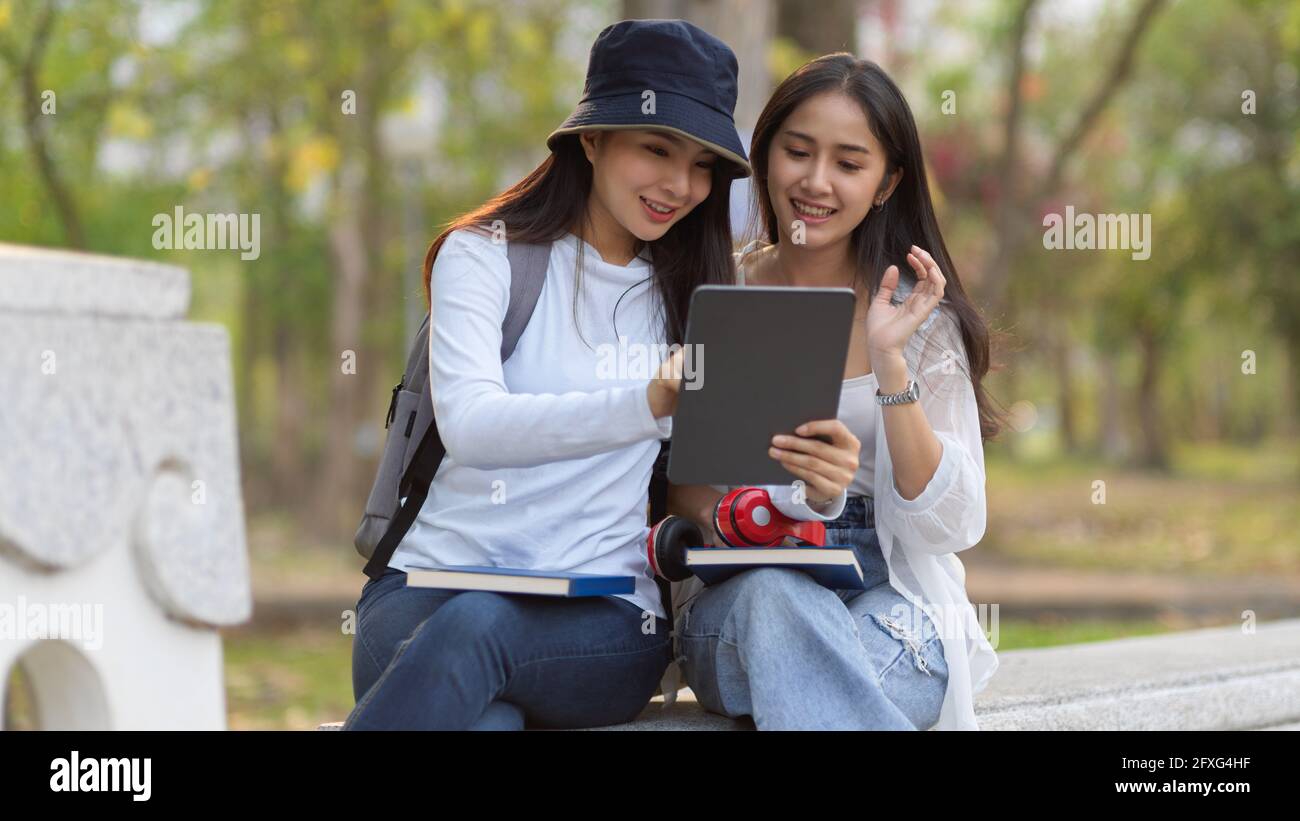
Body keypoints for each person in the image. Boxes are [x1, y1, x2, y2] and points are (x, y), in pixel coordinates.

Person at [344, 19, 752, 730]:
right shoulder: (481, 255)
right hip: (424, 594)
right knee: (488, 714)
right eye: (656, 149)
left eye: (702, 165)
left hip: (602, 623)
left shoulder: (694, 297)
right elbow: (470, 425)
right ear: (591, 140)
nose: (680, 185)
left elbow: (714, 486)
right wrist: (646, 400)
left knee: (481, 632)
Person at [665, 53, 1002, 731]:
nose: (815, 182)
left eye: (849, 163)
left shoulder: (921, 322)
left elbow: (951, 526)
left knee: (810, 664)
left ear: (886, 182)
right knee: (779, 601)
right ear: (764, 157)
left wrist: (889, 362)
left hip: (892, 592)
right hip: (745, 586)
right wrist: (791, 501)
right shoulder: (714, 291)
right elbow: (685, 501)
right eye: (797, 152)